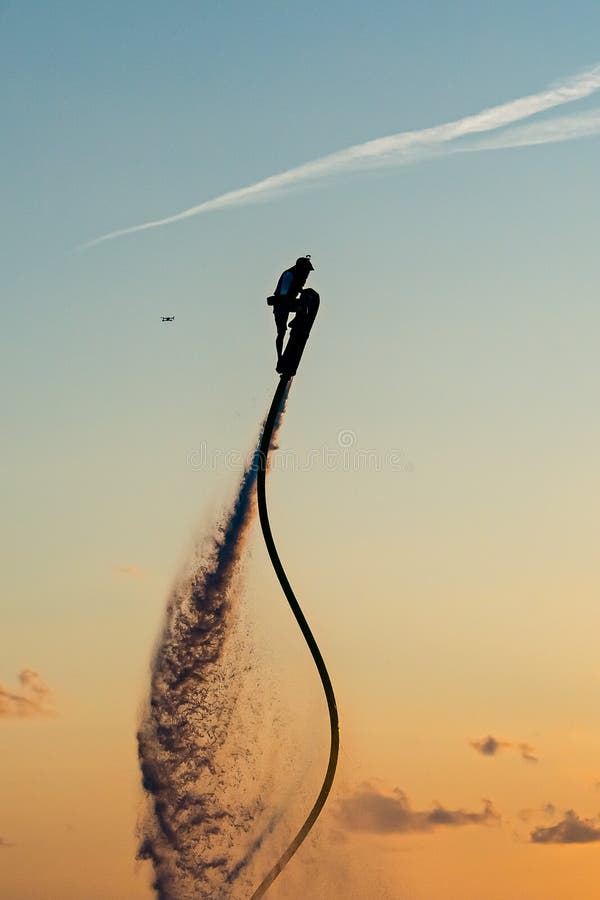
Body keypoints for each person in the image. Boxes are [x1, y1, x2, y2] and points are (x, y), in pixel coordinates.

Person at [267, 256, 314, 367]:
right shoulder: (289, 275)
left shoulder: (300, 277)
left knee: (303, 305)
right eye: (306, 271)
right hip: (281, 305)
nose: (307, 274)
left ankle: (296, 320)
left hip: (289, 303)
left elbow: (298, 290)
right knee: (281, 332)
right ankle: (280, 358)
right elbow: (284, 295)